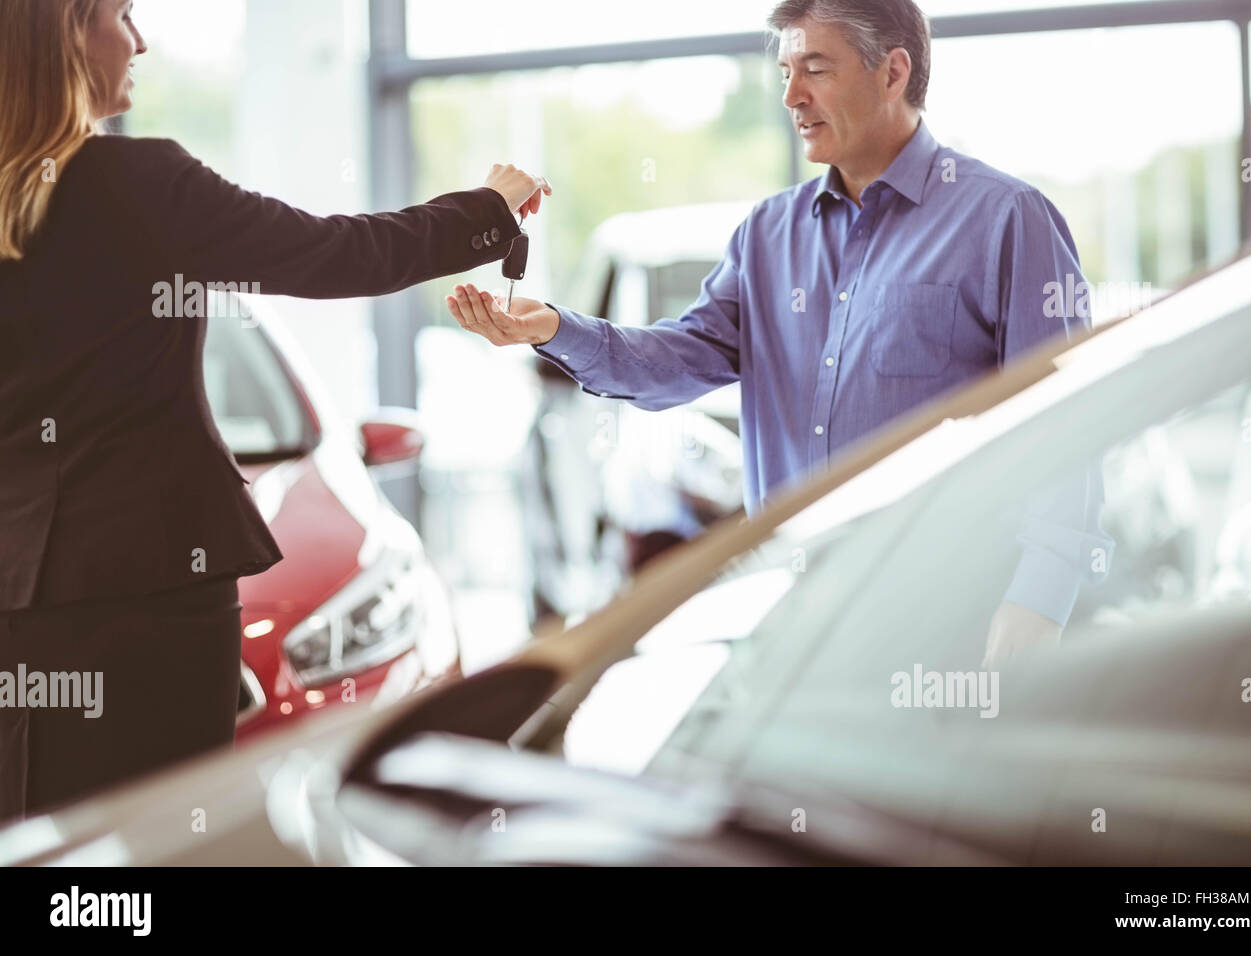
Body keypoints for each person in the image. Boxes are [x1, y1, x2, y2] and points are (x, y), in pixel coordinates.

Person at [0, 0, 550, 822]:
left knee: (43, 828)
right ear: (70, 35)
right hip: (152, 588)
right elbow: (335, 250)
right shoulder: (136, 180)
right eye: (122, 15)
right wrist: (487, 212)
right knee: (164, 831)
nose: (141, 39)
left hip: (20, 598)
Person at [447, 0, 1112, 664]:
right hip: (792, 637)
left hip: (948, 628)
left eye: (816, 69)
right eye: (786, 71)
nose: (792, 95)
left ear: (894, 72)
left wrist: (1037, 603)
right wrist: (557, 329)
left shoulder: (1007, 220)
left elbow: (1070, 427)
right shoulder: (767, 236)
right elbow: (675, 361)